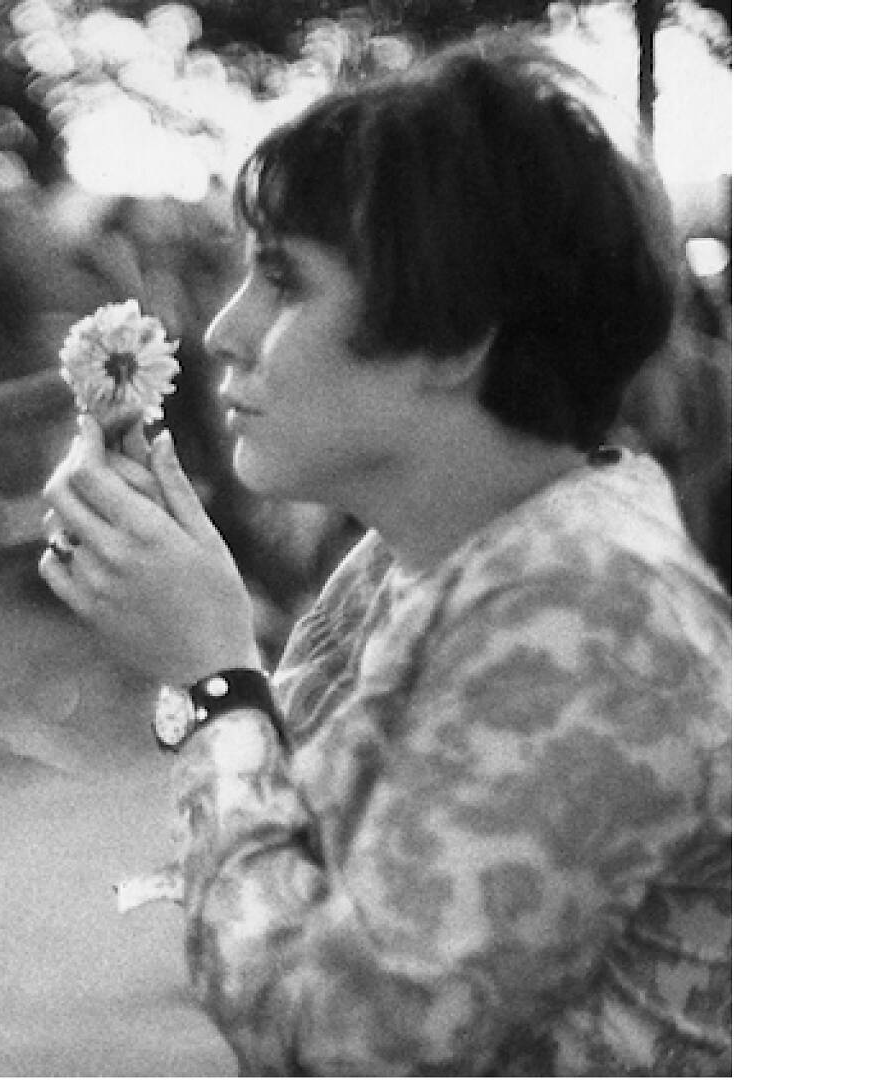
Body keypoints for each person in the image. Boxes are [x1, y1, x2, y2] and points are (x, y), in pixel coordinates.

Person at [38, 36, 730, 1075]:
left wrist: (212, 681)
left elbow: (346, 1039)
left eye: (284, 282)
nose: (226, 330)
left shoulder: (591, 607)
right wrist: (197, 629)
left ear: (458, 337)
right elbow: (297, 863)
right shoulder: (423, 557)